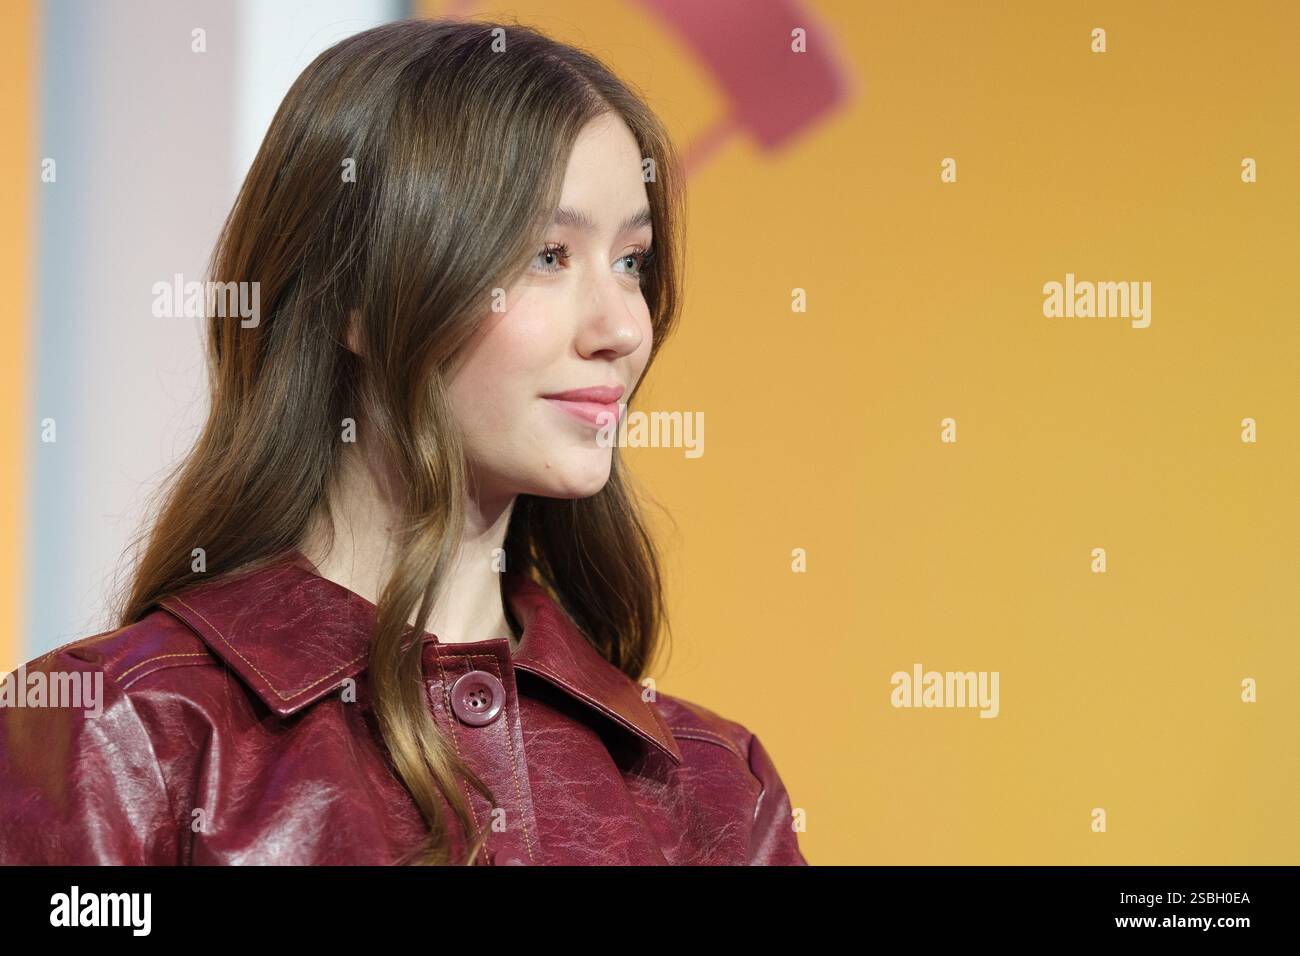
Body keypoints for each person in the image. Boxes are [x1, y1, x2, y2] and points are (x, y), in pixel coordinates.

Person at [0, 18, 807, 866]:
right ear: (354, 299)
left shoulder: (718, 792)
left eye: (633, 261)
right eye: (547, 254)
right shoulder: (122, 734)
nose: (622, 327)